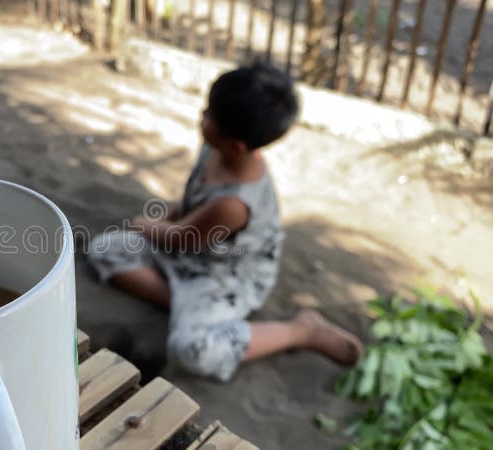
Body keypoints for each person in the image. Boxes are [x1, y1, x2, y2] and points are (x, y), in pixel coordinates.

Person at [87, 63, 364, 382]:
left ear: (236, 145)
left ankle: (300, 332)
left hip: (224, 275)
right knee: (104, 249)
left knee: (191, 349)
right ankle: (185, 306)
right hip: (193, 250)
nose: (201, 116)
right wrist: (165, 218)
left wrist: (145, 225)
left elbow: (181, 238)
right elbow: (191, 204)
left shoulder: (234, 204)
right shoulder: (216, 150)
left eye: (209, 116)